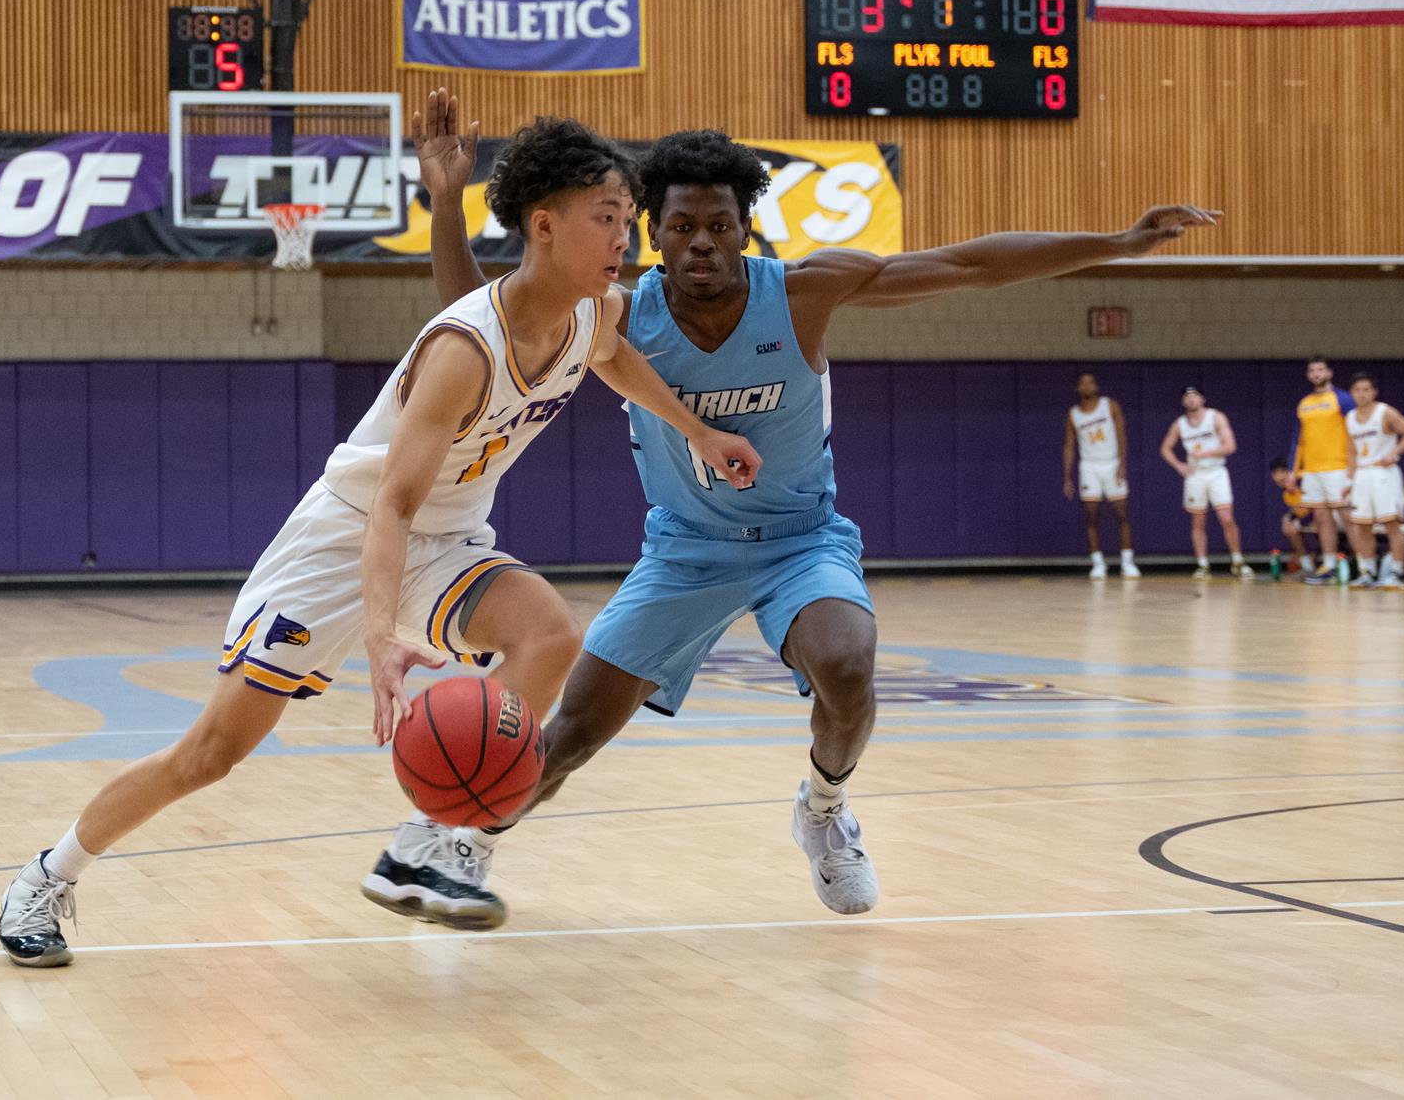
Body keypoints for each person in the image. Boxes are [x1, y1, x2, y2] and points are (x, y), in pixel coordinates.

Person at [394, 87, 1216, 925]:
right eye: (682, 227)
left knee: (850, 668)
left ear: (744, 228)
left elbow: (968, 264)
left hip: (800, 541)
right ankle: (465, 845)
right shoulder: (617, 315)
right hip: (686, 550)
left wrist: (1116, 243)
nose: (702, 242)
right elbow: (483, 324)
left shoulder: (802, 293)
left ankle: (823, 808)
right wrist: (447, 202)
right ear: (654, 234)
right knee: (569, 735)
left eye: (719, 224)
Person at [0, 117, 760, 964]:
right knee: (211, 754)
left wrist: (696, 430)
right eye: (607, 216)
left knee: (550, 634)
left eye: (627, 217)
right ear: (544, 224)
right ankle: (49, 874)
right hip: (343, 541)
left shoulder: (594, 312)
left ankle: (425, 842)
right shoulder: (465, 349)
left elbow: (614, 358)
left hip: (449, 539)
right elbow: (391, 506)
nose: (627, 235)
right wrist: (383, 638)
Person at [1159, 386, 1251, 578]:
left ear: (1202, 399)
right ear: (1183, 401)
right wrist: (1179, 465)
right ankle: (1202, 564)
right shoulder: (1180, 424)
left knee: (1227, 518)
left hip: (1216, 471)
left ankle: (1237, 560)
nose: (1191, 399)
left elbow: (1230, 446)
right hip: (1195, 475)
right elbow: (1165, 448)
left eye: (1195, 396)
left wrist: (1207, 453)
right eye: (1187, 396)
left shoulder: (1215, 417)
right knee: (1198, 521)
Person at [1345, 372, 1404, 590]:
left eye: (1366, 389)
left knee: (1391, 524)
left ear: (1374, 391)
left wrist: (1394, 453)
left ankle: (1396, 571)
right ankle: (1367, 571)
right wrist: (1348, 482)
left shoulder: (1385, 412)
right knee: (1362, 526)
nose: (1362, 394)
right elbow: (1351, 453)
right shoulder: (1349, 417)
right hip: (1362, 474)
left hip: (1384, 474)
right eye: (1357, 390)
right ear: (1352, 393)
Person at [1287, 357, 1356, 585]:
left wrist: (1354, 466)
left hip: (1338, 466)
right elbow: (1299, 440)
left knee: (1347, 517)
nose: (1316, 373)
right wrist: (1293, 471)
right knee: (1321, 517)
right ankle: (1329, 565)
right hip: (1312, 470)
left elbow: (1356, 429)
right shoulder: (1304, 403)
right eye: (1312, 370)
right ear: (1308, 375)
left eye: (1320, 369)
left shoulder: (1343, 398)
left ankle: (1364, 566)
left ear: (1329, 373)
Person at [1065, 373, 1139, 579]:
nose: (1087, 386)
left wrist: (1122, 464)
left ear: (1096, 386)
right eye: (1082, 382)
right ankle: (1097, 563)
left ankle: (1127, 562)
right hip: (1089, 466)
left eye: (1090, 382)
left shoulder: (1110, 405)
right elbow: (1069, 446)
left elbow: (1121, 435)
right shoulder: (1073, 414)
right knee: (1091, 516)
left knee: (1122, 513)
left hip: (1112, 463)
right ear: (1078, 388)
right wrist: (1067, 477)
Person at [1270, 457, 1315, 575]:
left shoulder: (1303, 484)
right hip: (1308, 519)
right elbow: (1298, 510)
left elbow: (1315, 508)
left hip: (1321, 517)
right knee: (1288, 526)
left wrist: (1300, 522)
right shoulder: (1285, 494)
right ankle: (1306, 564)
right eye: (1275, 473)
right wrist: (1289, 517)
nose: (1279, 477)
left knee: (1294, 526)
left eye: (1282, 472)